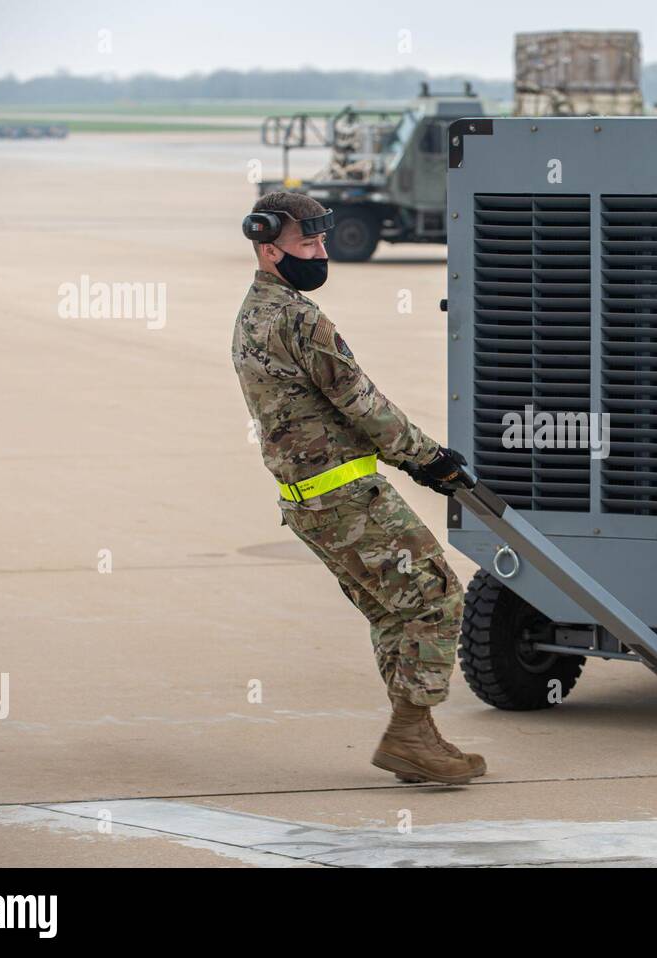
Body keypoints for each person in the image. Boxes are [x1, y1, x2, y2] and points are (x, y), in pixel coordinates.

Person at [232, 191, 484, 785]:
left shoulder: (253, 312)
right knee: (436, 593)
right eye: (306, 244)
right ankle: (412, 734)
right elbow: (361, 402)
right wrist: (430, 460)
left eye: (322, 241)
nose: (321, 254)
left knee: (394, 611)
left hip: (306, 500)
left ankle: (416, 735)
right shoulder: (298, 318)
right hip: (345, 495)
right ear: (269, 248)